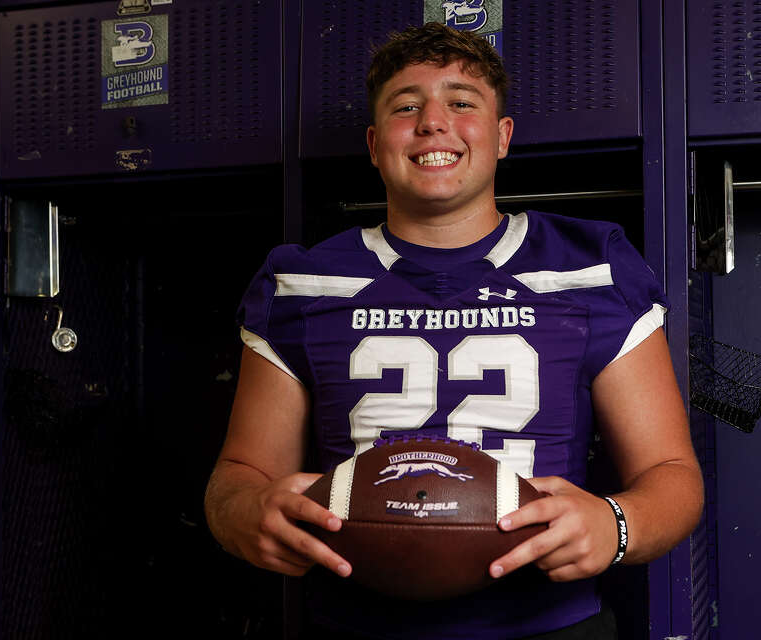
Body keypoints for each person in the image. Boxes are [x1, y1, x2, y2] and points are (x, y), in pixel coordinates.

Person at [205, 22, 703, 640]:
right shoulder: (305, 283)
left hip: (546, 624)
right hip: (356, 625)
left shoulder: (589, 268)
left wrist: (616, 523)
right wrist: (247, 513)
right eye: (405, 106)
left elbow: (672, 475)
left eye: (462, 103)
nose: (433, 121)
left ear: (502, 137)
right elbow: (240, 475)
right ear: (373, 143)